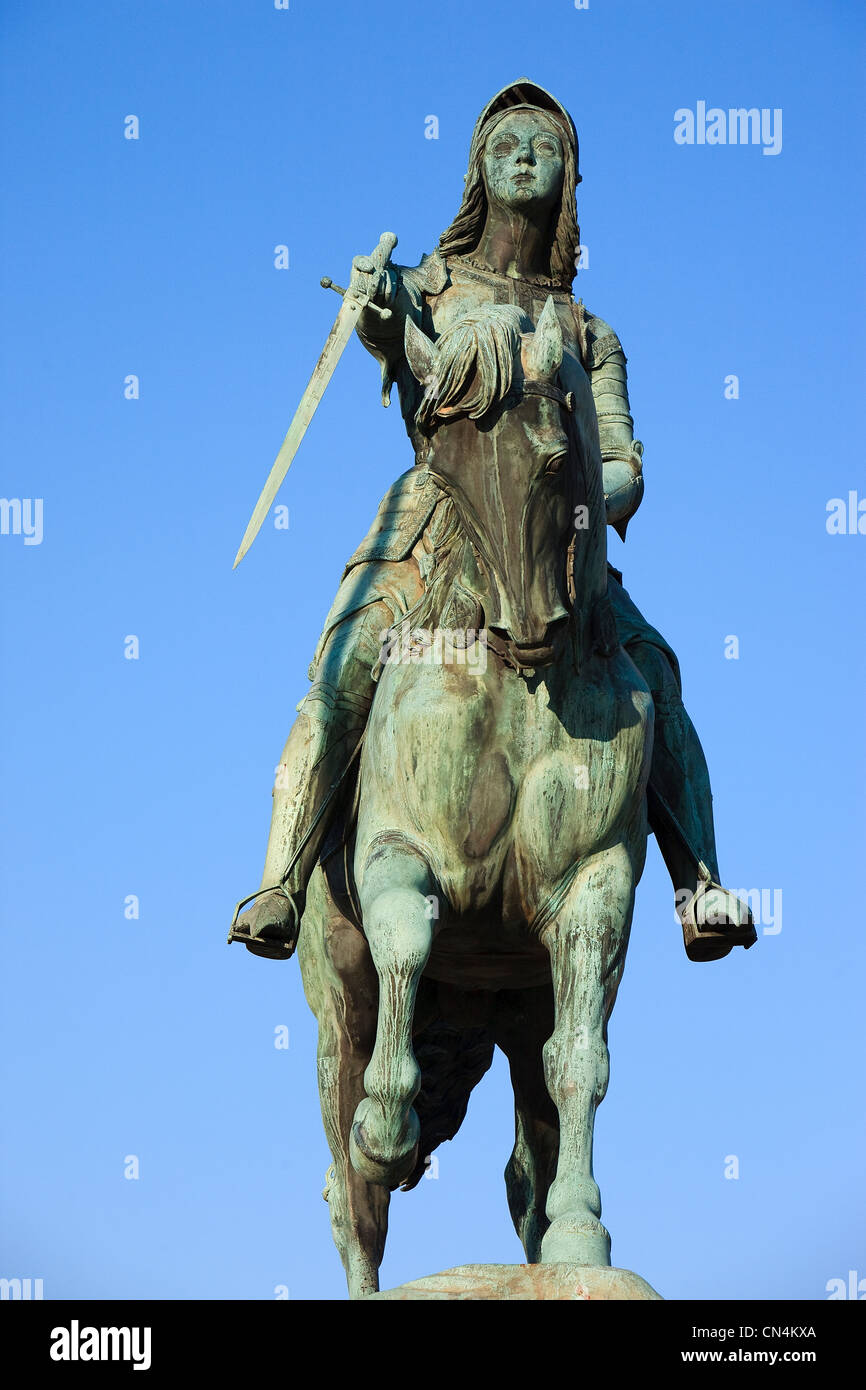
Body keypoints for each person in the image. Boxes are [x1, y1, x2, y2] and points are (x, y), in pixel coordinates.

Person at [228, 79, 756, 965]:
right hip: (432, 519)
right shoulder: (430, 285)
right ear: (477, 167)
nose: (523, 157)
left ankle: (697, 879)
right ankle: (281, 876)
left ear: (568, 176)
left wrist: (580, 506)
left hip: (559, 535)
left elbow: (624, 465)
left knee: (656, 676)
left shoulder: (589, 332)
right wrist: (379, 306)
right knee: (346, 665)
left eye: (543, 146)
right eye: (506, 143)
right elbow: (391, 334)